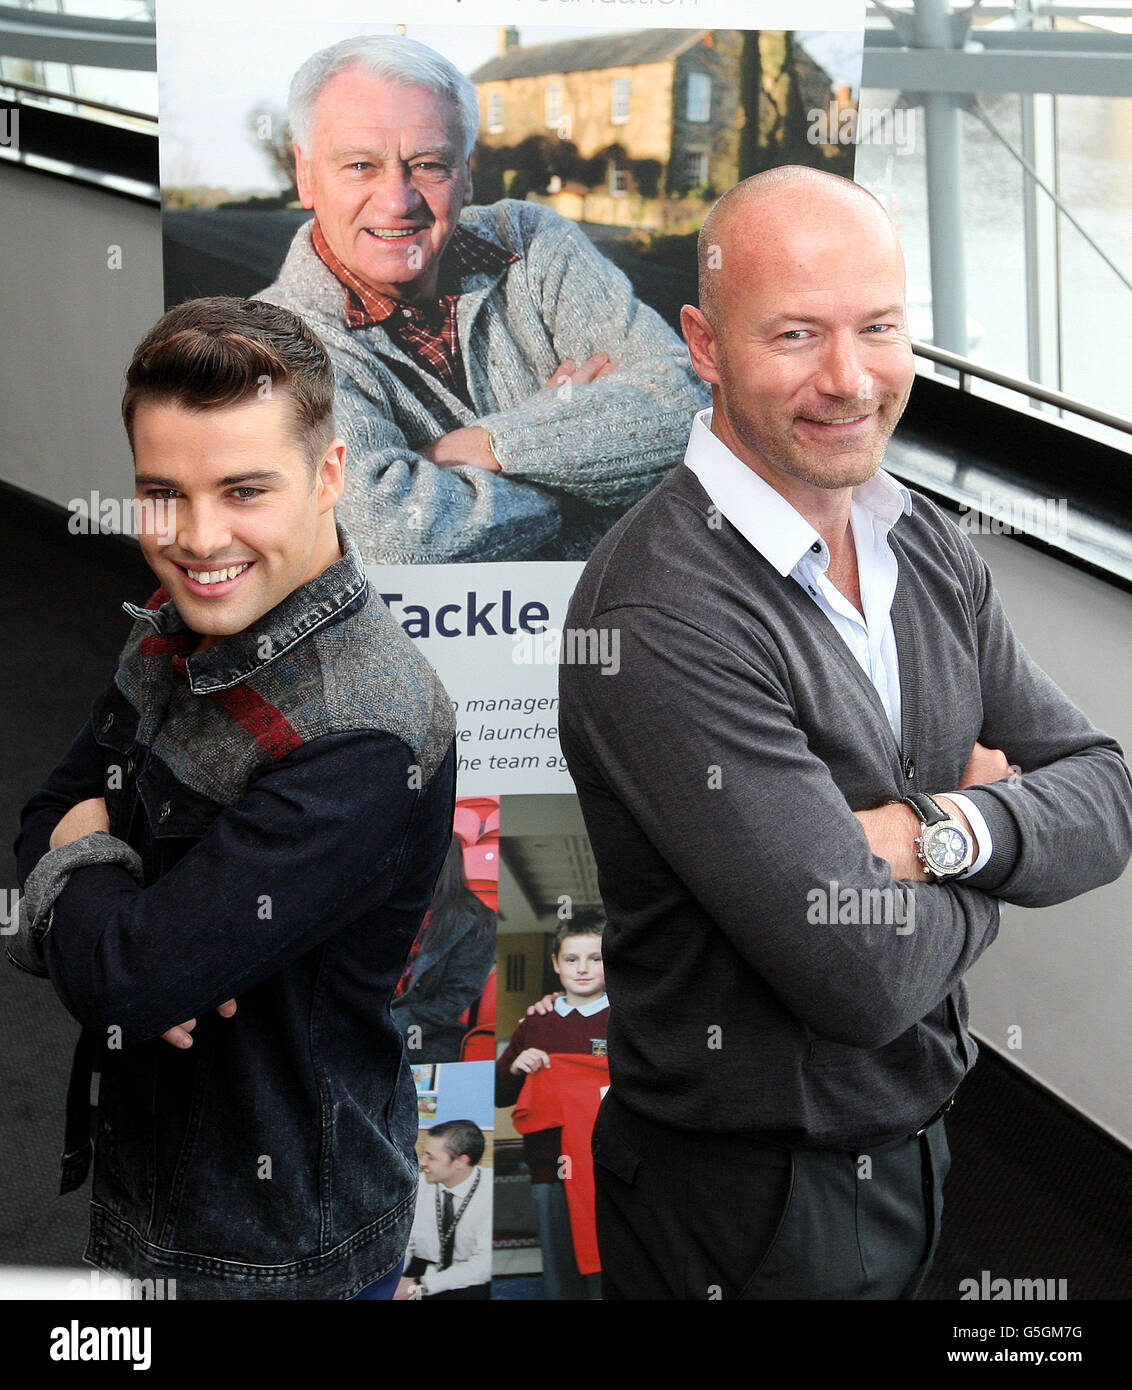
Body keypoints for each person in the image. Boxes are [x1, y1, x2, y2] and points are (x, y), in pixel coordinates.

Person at [557, 167, 1132, 1300]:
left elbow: (1108, 793)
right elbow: (860, 973)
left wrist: (935, 830)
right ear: (704, 345)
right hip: (746, 1204)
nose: (849, 378)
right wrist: (1011, 838)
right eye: (795, 334)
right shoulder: (661, 614)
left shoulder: (916, 537)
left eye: (878, 328)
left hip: (911, 1145)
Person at [8, 297, 457, 1299]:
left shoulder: (362, 733)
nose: (198, 539)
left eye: (244, 490)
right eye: (163, 493)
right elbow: (53, 803)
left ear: (329, 475)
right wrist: (132, 931)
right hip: (156, 1181)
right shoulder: (176, 620)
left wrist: (118, 934)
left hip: (274, 1251)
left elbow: (124, 975)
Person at [255, 33, 709, 564]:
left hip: (625, 625)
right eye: (360, 166)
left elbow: (691, 409)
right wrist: (584, 470)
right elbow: (386, 537)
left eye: (428, 165)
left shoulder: (531, 240)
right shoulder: (273, 341)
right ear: (305, 175)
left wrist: (485, 446)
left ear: (467, 175)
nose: (398, 200)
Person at [495, 921, 609, 1300]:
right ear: (555, 964)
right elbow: (499, 1094)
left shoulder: (627, 1019)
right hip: (549, 1169)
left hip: (611, 1169)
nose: (582, 968)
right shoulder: (535, 1022)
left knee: (609, 1266)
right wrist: (515, 1065)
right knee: (560, 1272)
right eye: (572, 959)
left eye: (595, 959)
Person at [392, 834, 496, 1062]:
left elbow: (454, 998)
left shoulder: (476, 920)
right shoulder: (393, 904)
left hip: (425, 1032)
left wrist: (391, 1022)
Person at [396, 1120, 492, 1300]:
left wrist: (422, 1285)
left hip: (469, 1277)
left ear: (460, 1162)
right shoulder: (418, 1184)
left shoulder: (491, 1191)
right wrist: (393, 1283)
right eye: (423, 1155)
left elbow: (484, 1264)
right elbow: (405, 1243)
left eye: (431, 1157)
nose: (422, 1163)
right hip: (422, 1268)